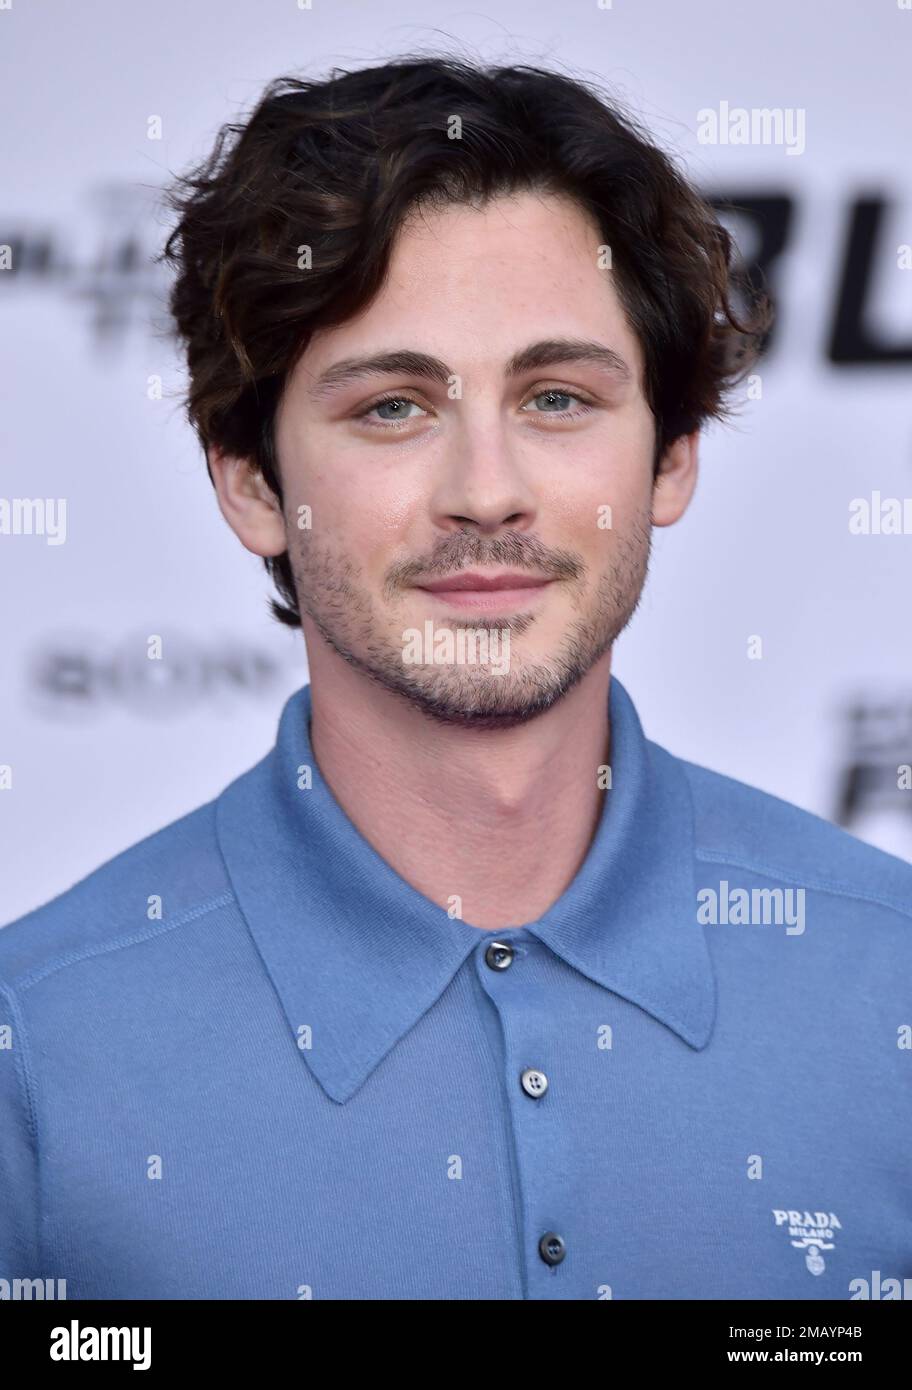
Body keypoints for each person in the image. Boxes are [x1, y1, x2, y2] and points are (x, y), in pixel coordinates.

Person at [2, 56, 910, 1302]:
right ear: (251, 480)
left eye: (554, 396)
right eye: (392, 407)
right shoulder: (35, 1049)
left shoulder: (892, 979)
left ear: (673, 457)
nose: (486, 489)